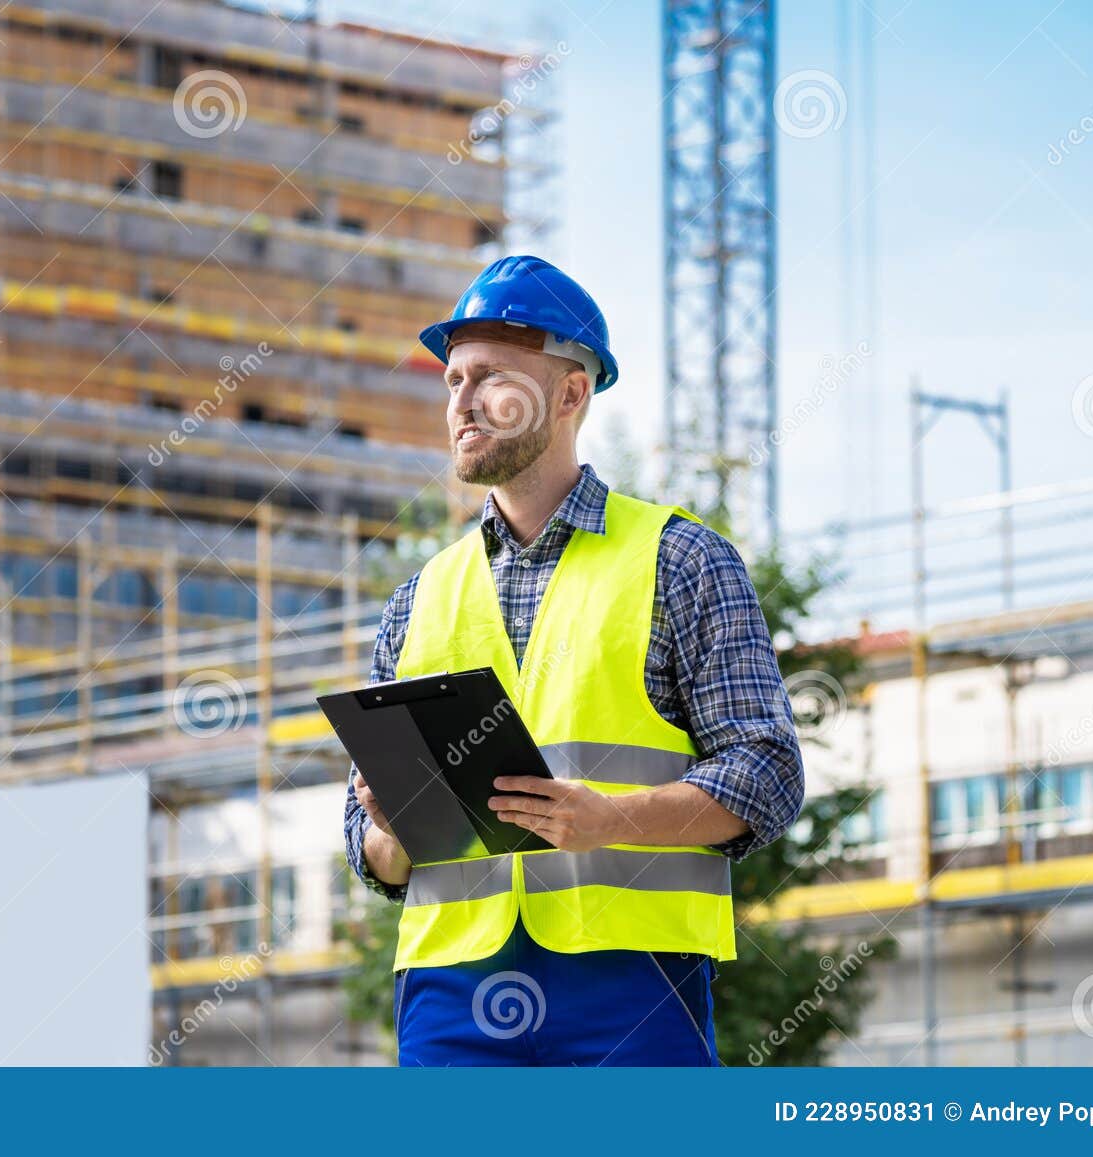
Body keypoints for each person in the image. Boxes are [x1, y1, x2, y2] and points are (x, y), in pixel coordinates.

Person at [342, 255, 804, 1066]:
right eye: (452, 381)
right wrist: (394, 827)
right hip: (450, 996)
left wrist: (611, 821)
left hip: (630, 983)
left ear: (569, 393)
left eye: (488, 378)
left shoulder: (683, 560)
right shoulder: (417, 600)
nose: (461, 403)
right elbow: (373, 856)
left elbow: (767, 769)